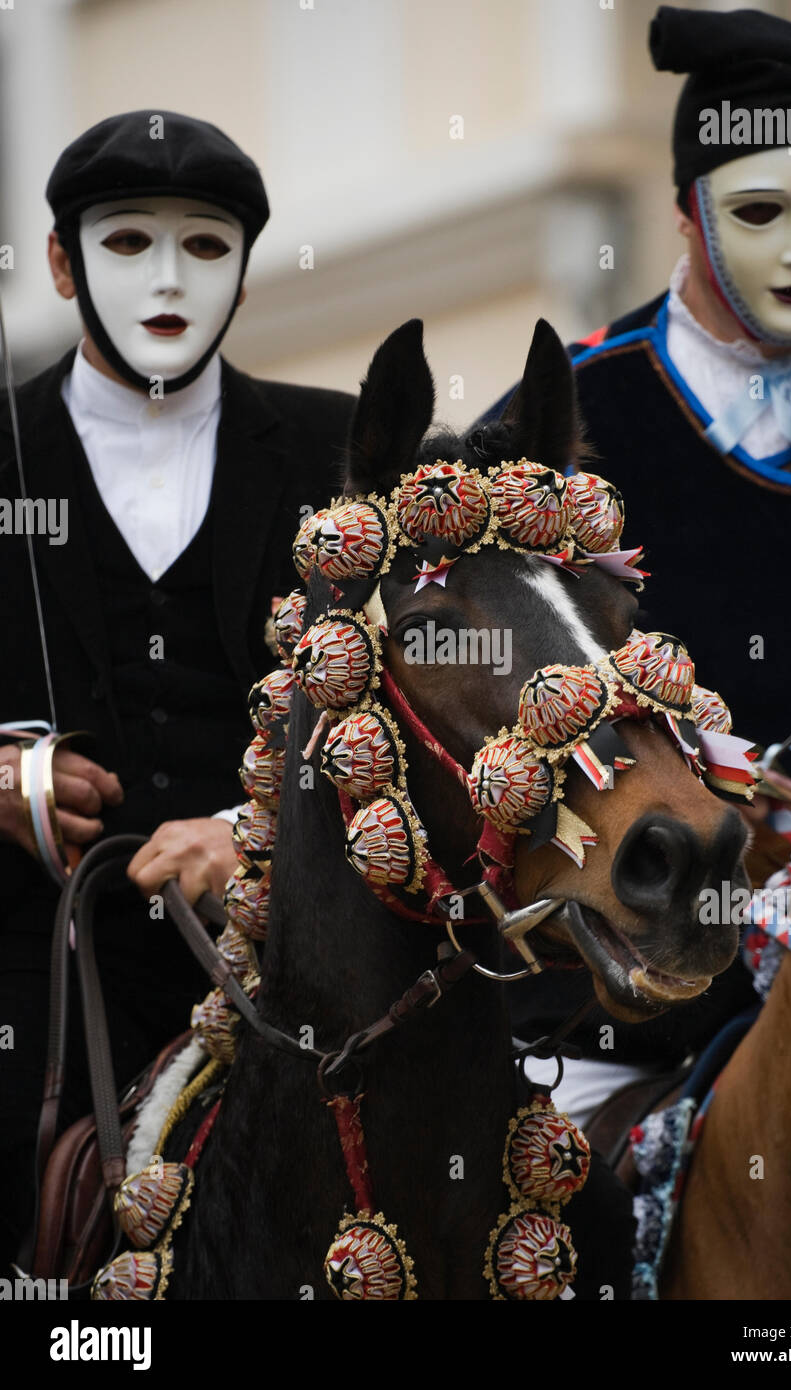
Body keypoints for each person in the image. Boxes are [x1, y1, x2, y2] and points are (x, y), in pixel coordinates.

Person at [484, 7, 791, 1125]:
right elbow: (484, 680)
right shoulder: (573, 411)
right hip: (639, 981)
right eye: (757, 212)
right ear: (685, 209)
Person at [0, 110, 355, 1265]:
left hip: (300, 990)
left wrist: (263, 837)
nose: (167, 278)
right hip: (33, 990)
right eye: (126, 243)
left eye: (205, 247)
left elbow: (433, 718)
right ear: (61, 262)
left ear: (245, 278)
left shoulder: (346, 456)